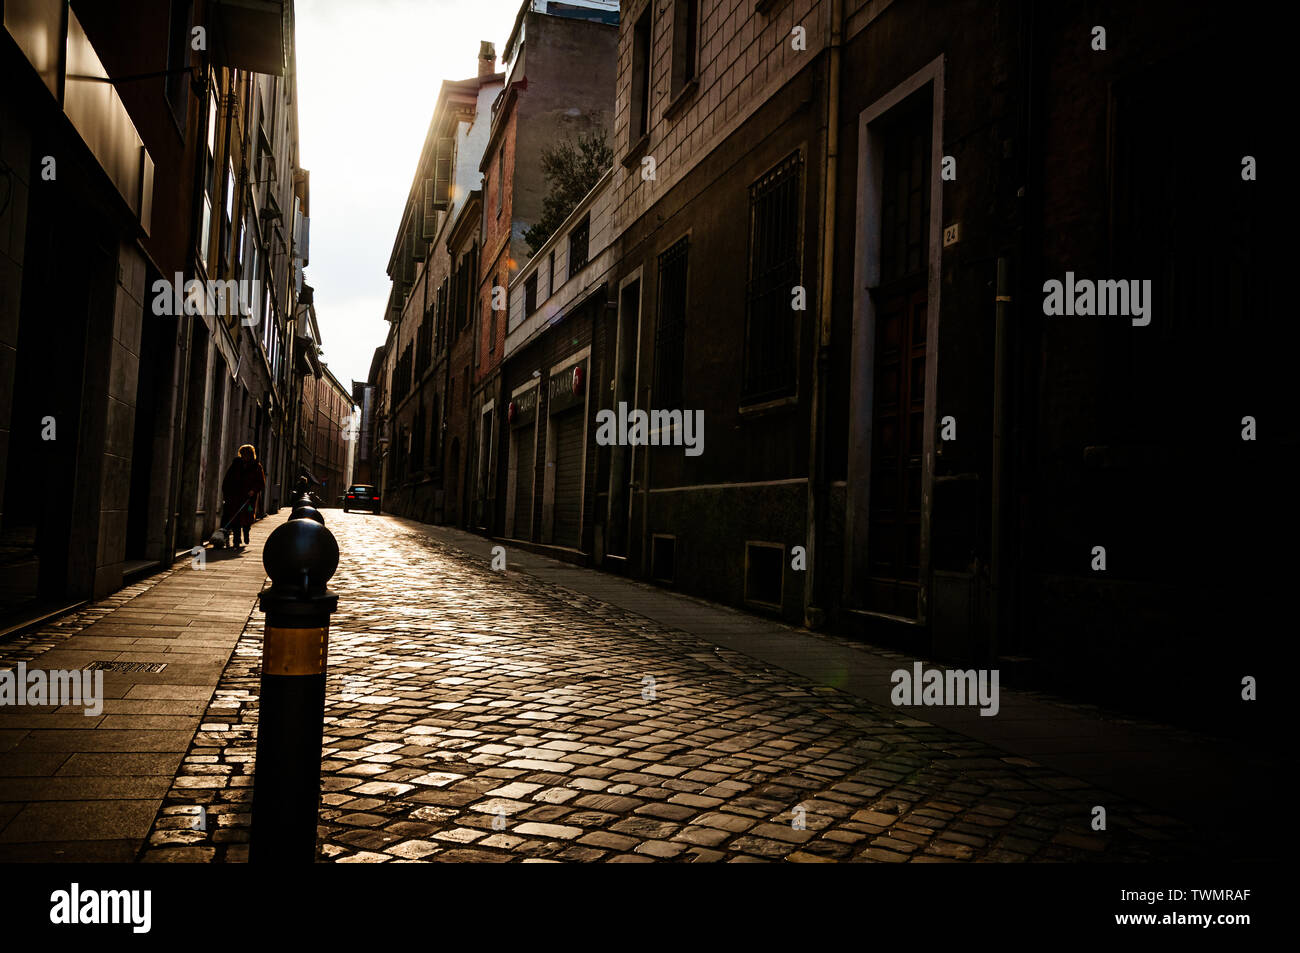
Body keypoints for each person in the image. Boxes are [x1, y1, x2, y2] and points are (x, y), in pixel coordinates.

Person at [221, 444, 265, 548]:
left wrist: (253, 491)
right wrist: (227, 494)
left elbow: (260, 482)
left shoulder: (256, 466)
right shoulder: (236, 465)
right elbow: (227, 479)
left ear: (251, 455)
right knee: (235, 518)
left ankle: (246, 532)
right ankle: (237, 540)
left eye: (247, 454)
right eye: (243, 454)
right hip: (235, 497)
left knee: (248, 517)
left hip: (249, 499)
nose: (245, 456)